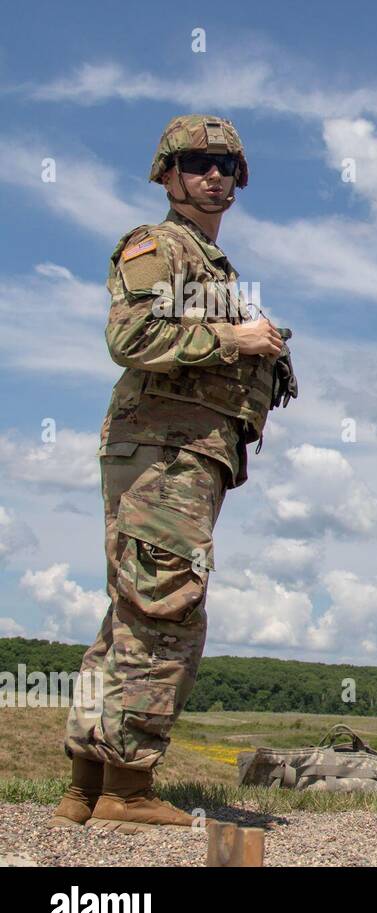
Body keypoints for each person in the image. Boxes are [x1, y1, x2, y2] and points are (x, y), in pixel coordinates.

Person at [51, 114, 297, 833]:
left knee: (134, 610)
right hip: (164, 452)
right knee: (169, 609)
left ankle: (87, 787)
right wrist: (236, 338)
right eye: (196, 162)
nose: (214, 175)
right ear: (166, 172)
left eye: (227, 166)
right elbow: (129, 337)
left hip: (187, 454)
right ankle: (129, 788)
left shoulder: (211, 265)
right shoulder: (157, 244)